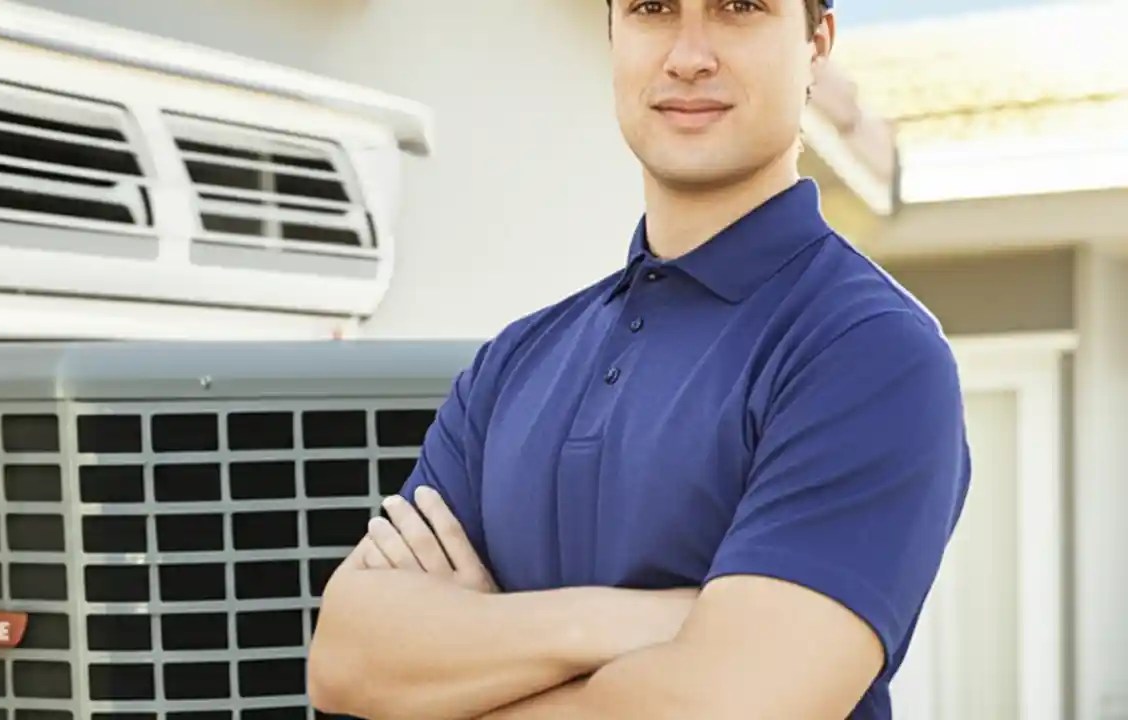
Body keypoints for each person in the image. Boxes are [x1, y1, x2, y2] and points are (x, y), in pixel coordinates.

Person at [308, 1, 971, 718]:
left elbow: (729, 710)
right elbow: (346, 659)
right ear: (613, 36)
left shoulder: (864, 350)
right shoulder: (512, 363)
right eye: (653, 8)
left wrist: (463, 666)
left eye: (738, 8)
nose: (689, 55)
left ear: (817, 44)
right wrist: (625, 621)